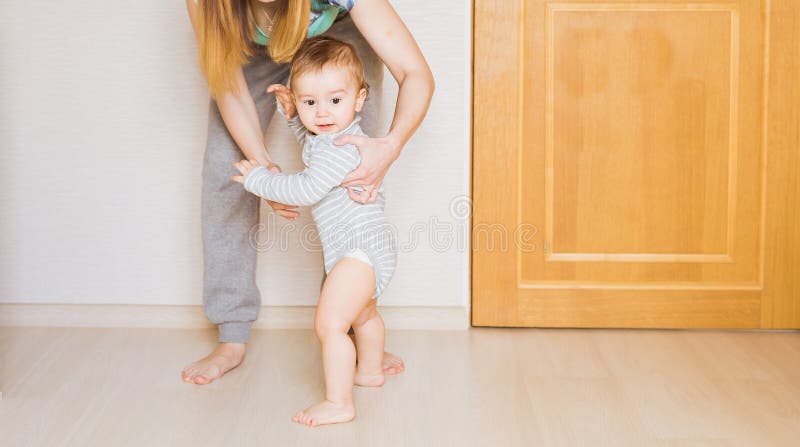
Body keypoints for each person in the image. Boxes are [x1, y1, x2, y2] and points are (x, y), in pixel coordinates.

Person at [181, 0, 433, 385]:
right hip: (254, 48)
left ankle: (352, 329)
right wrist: (260, 167)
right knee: (229, 169)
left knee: (354, 173)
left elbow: (414, 72)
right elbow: (228, 84)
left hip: (337, 38)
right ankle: (232, 333)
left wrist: (392, 144)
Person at [233, 36, 396, 426]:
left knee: (329, 324)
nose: (321, 112)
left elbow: (305, 188)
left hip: (357, 252)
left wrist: (258, 179)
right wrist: (292, 116)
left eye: (334, 101)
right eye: (310, 102)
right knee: (364, 314)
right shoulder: (334, 138)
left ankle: (339, 402)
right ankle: (370, 370)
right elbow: (312, 144)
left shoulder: (339, 149)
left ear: (359, 100)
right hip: (370, 249)